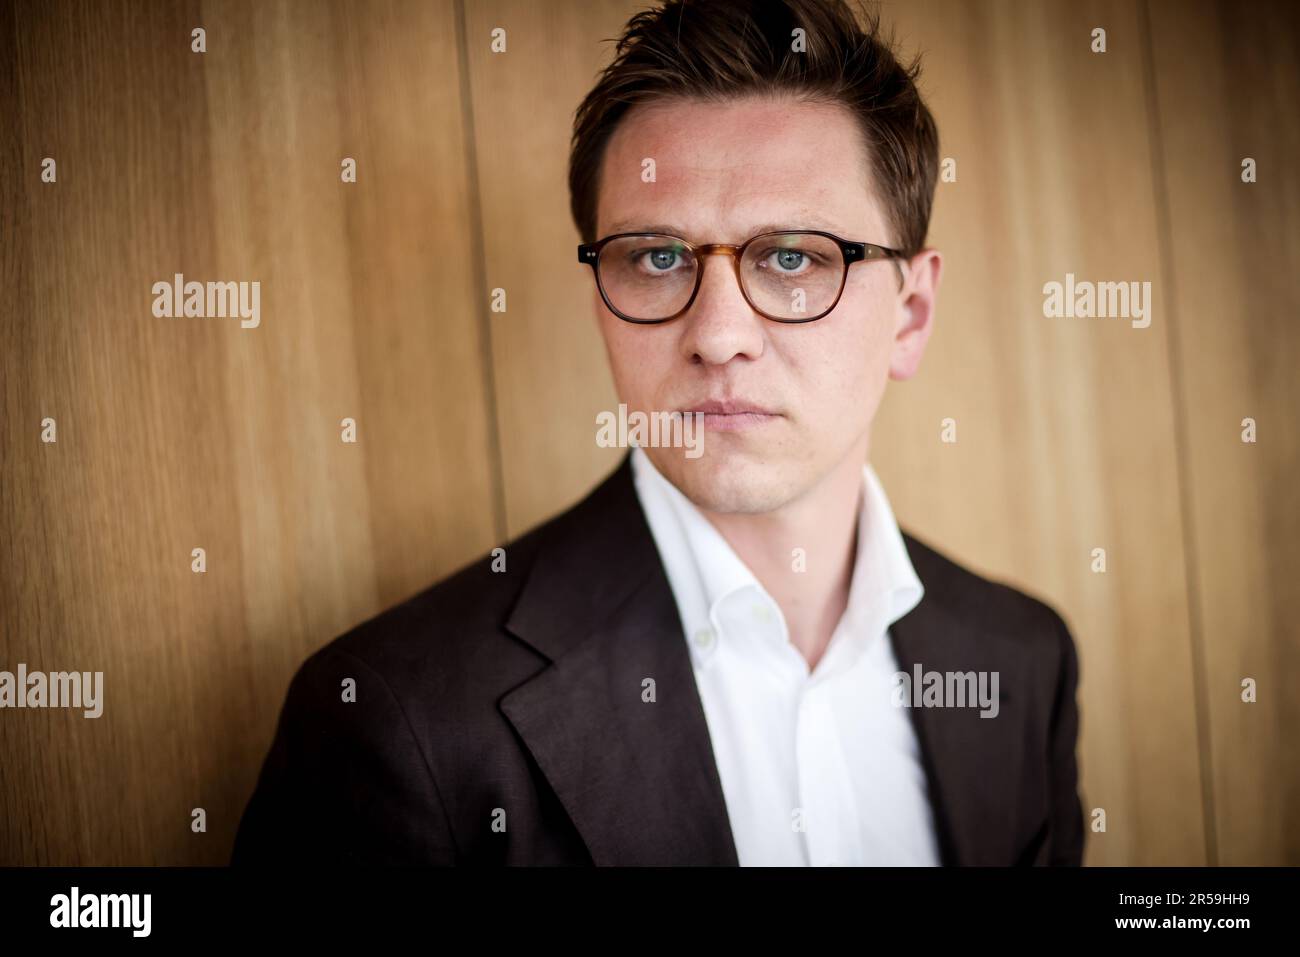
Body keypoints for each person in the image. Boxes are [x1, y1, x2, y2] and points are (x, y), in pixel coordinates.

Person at [233, 0, 1084, 866]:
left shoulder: (1023, 659)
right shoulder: (395, 716)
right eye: (656, 257)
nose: (718, 334)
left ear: (911, 313)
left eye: (792, 257)